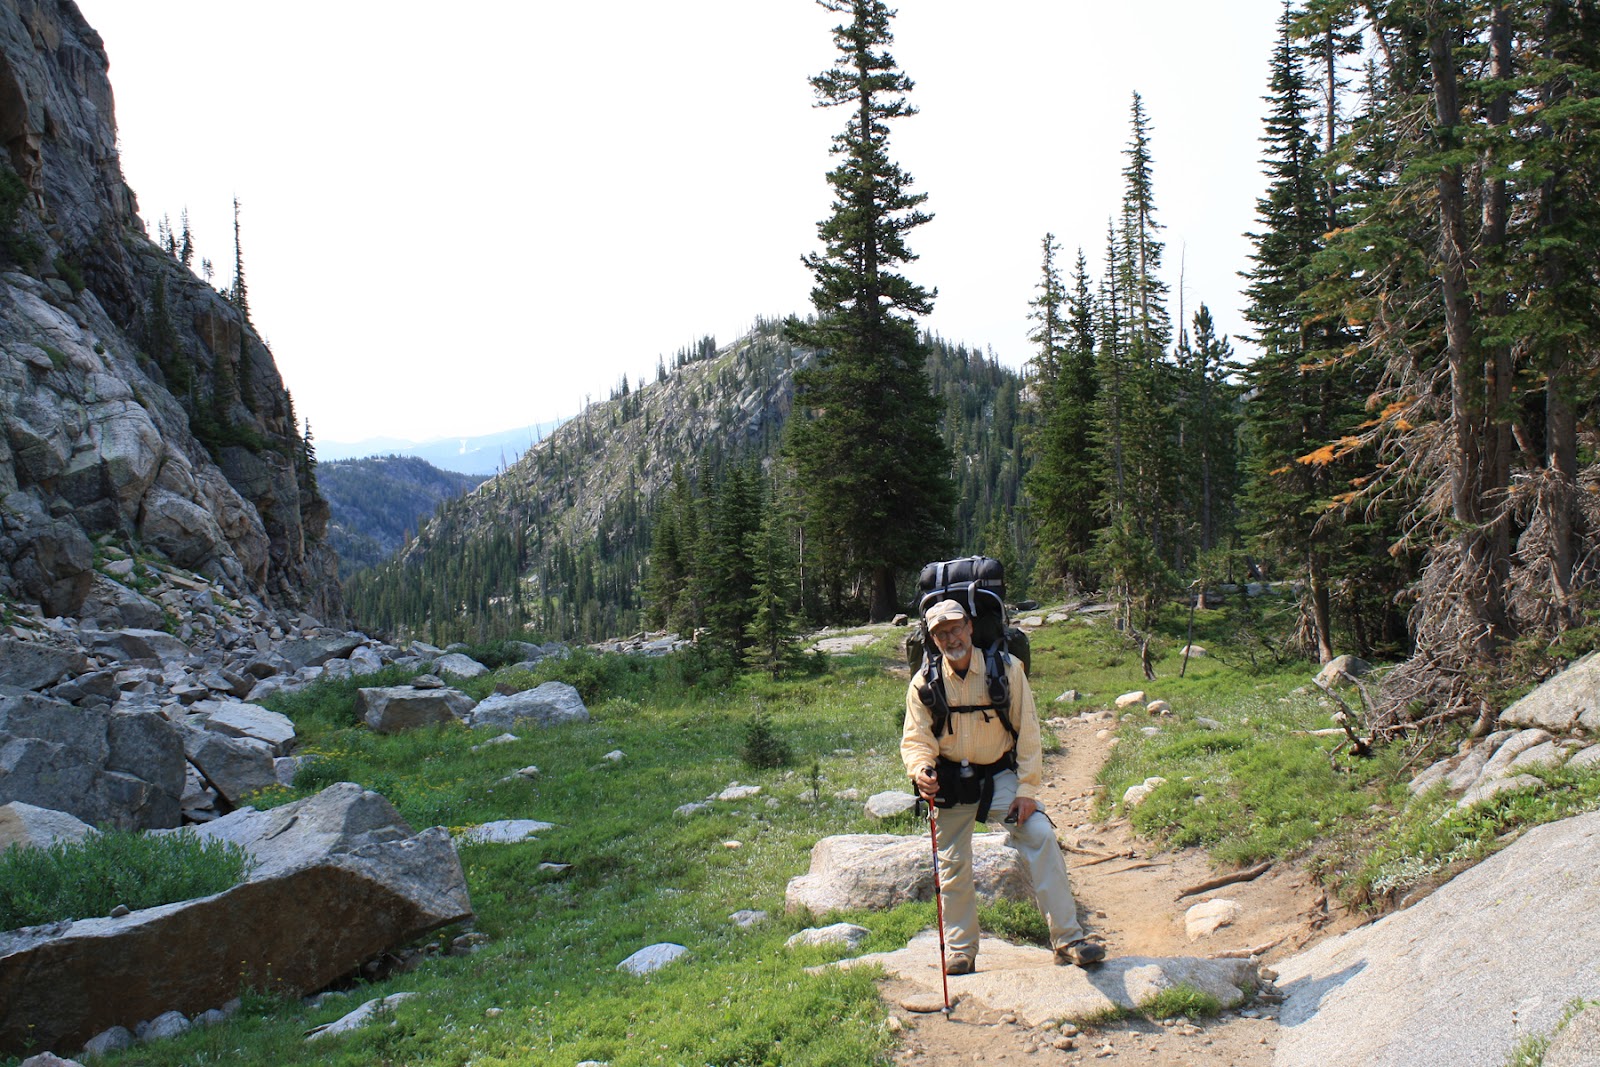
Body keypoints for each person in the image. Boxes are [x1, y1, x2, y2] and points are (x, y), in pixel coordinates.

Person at [901, 598, 1105, 974]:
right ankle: (961, 951)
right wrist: (921, 770)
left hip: (1000, 777)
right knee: (952, 864)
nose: (951, 638)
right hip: (949, 781)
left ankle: (1069, 939)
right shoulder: (924, 682)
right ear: (932, 638)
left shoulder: (1007, 670)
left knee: (1041, 835)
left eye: (956, 628)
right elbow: (916, 740)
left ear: (970, 628)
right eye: (941, 633)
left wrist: (1027, 790)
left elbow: (1028, 732)